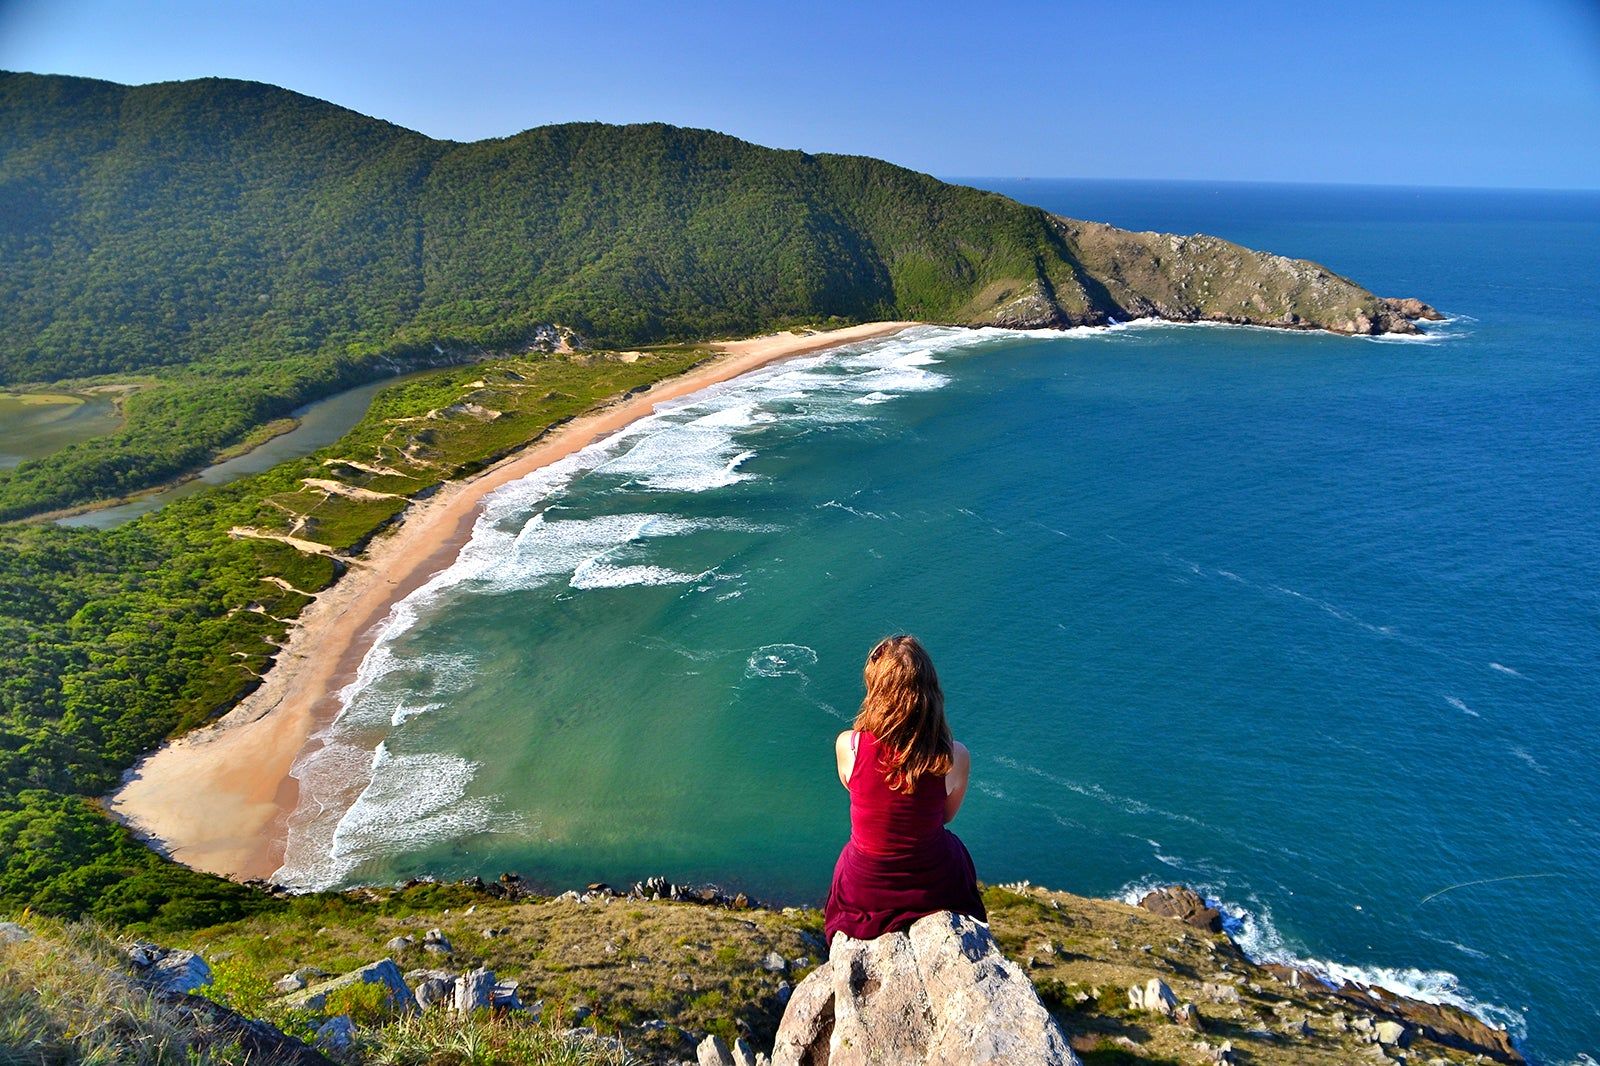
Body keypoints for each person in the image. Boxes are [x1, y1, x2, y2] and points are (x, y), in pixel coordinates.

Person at [823, 634, 986, 946]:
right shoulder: (954, 756)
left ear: (875, 690)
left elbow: (855, 790)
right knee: (957, 852)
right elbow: (946, 816)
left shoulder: (849, 745)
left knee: (849, 857)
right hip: (934, 884)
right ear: (930, 691)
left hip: (865, 886)